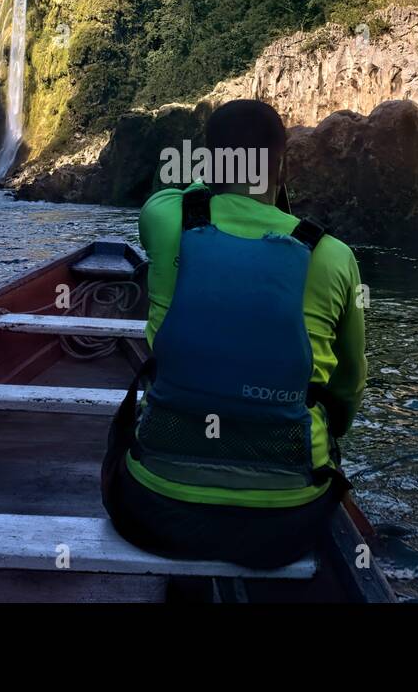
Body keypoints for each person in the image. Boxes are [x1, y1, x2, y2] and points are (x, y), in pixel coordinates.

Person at [101, 99, 367, 569]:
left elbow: (187, 195)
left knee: (122, 431)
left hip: (154, 510)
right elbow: (348, 387)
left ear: (209, 161)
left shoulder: (165, 218)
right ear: (282, 164)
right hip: (285, 525)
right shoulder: (334, 254)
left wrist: (215, 177)